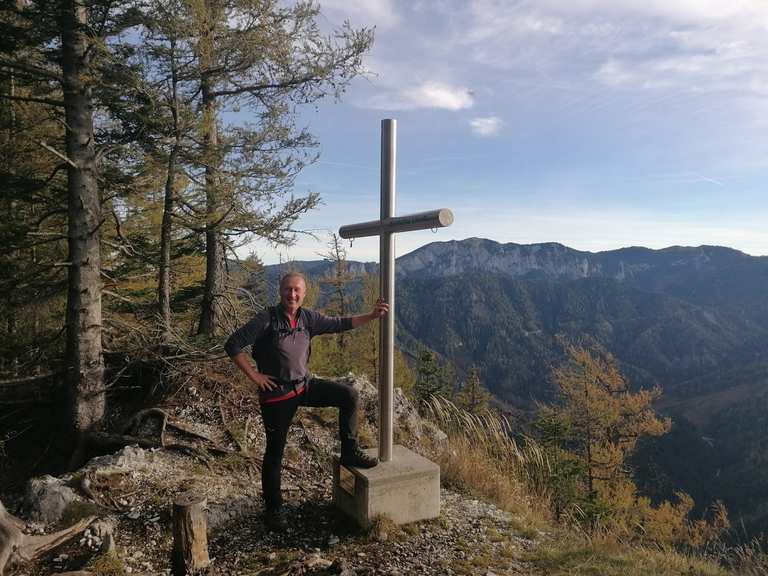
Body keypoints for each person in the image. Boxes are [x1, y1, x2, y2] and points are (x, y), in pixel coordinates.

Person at [224, 271, 389, 530]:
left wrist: (371, 315)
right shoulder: (266, 319)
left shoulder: (308, 318)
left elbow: (339, 323)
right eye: (288, 289)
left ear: (304, 293)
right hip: (277, 396)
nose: (292, 294)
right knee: (275, 454)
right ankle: (274, 509)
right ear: (280, 291)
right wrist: (255, 376)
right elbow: (233, 344)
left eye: (297, 290)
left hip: (305, 386)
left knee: (348, 395)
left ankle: (349, 451)